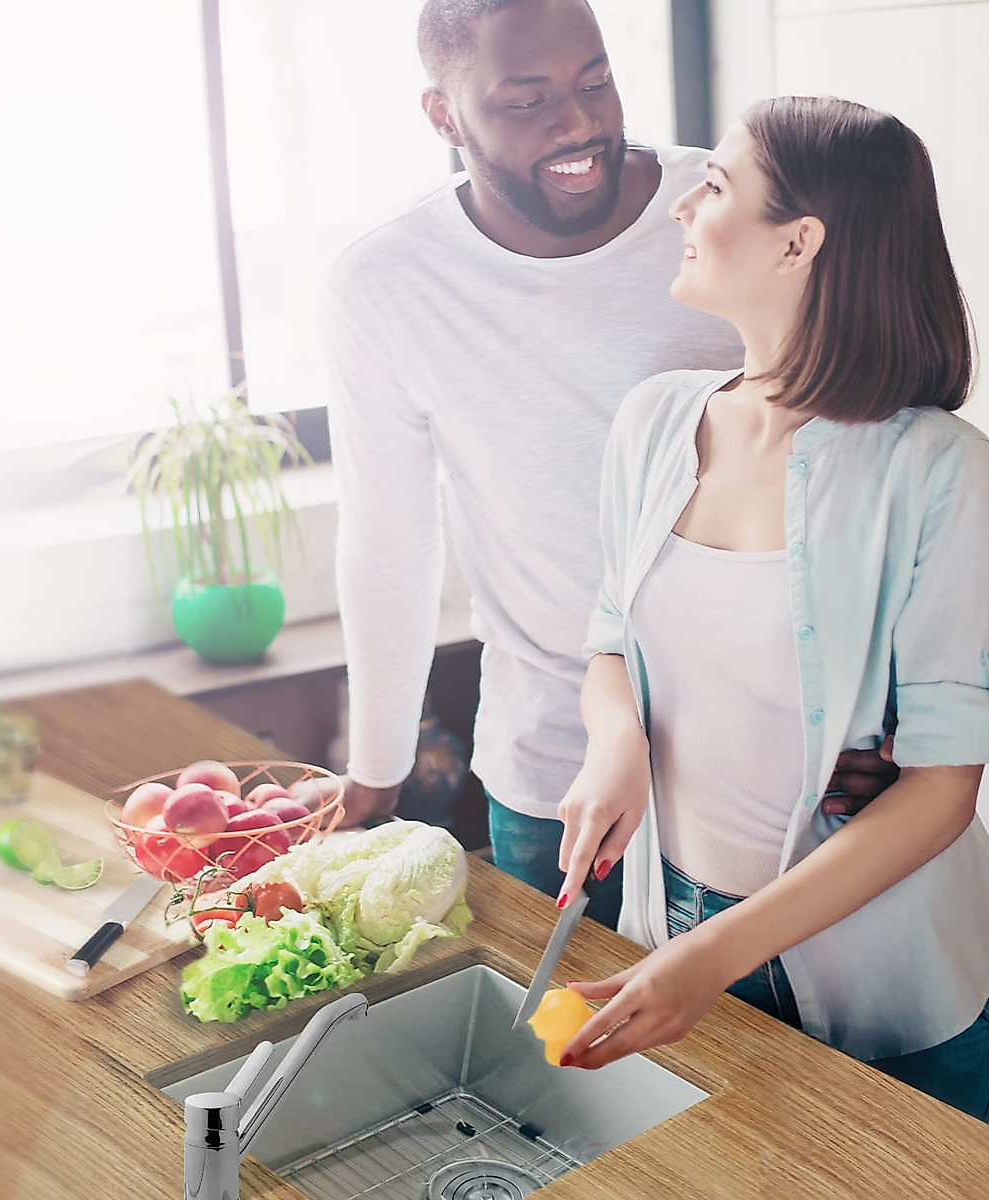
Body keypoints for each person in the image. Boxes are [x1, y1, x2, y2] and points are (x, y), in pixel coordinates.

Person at [320, 0, 895, 930]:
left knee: (782, 1066)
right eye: (528, 98)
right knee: (574, 1057)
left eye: (594, 80)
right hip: (555, 766)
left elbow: (863, 460)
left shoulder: (716, 219)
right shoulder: (385, 281)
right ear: (443, 115)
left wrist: (884, 704)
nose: (579, 121)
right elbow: (389, 533)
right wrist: (377, 770)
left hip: (771, 760)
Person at [554, 96, 989, 1123]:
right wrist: (614, 741)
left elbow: (942, 792)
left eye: (717, 185)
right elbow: (607, 647)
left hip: (881, 989)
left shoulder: (939, 472)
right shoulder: (653, 423)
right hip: (670, 933)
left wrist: (711, 959)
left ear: (799, 242)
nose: (684, 202)